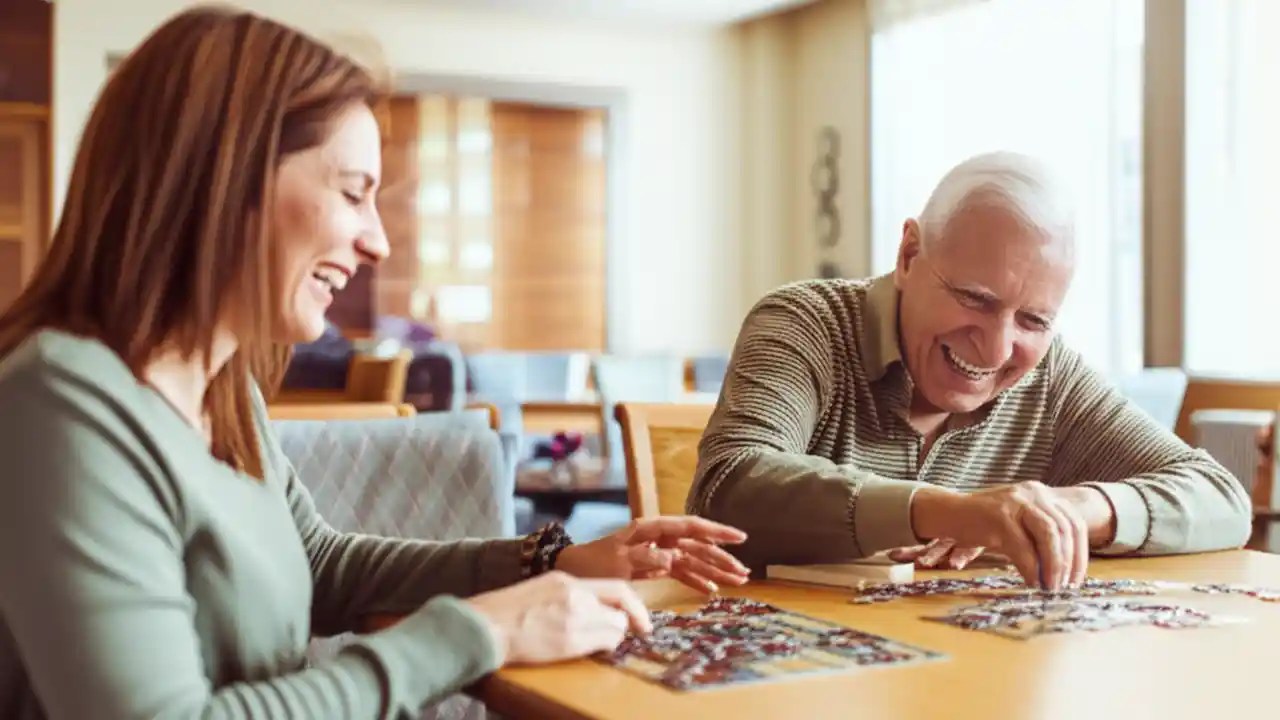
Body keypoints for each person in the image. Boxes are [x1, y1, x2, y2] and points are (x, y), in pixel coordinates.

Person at [0, 7, 750, 719]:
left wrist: (552, 561)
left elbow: (319, 565)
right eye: (354, 193)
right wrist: (481, 633)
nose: (377, 241)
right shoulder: (59, 408)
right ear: (224, 178)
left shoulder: (219, 387)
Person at [689, 151, 1251, 591]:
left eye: (1032, 319)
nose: (996, 349)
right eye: (975, 300)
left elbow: (1222, 498)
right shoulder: (804, 322)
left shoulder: (1050, 375)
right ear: (909, 256)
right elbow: (728, 487)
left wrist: (1074, 509)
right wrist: (950, 513)